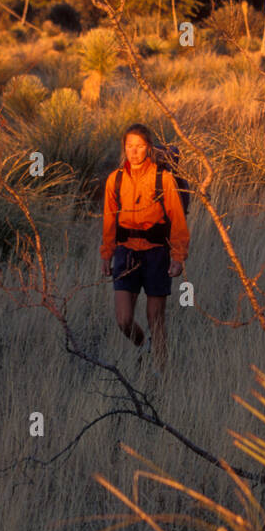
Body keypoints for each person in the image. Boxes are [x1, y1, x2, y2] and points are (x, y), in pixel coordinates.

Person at [101, 124, 189, 367]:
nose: (134, 152)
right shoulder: (115, 180)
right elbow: (109, 220)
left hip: (157, 255)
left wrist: (178, 257)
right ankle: (143, 345)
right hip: (125, 253)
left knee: (156, 319)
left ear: (148, 148)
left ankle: (161, 375)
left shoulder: (164, 179)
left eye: (139, 147)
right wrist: (106, 254)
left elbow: (178, 221)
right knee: (123, 320)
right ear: (124, 148)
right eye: (129, 146)